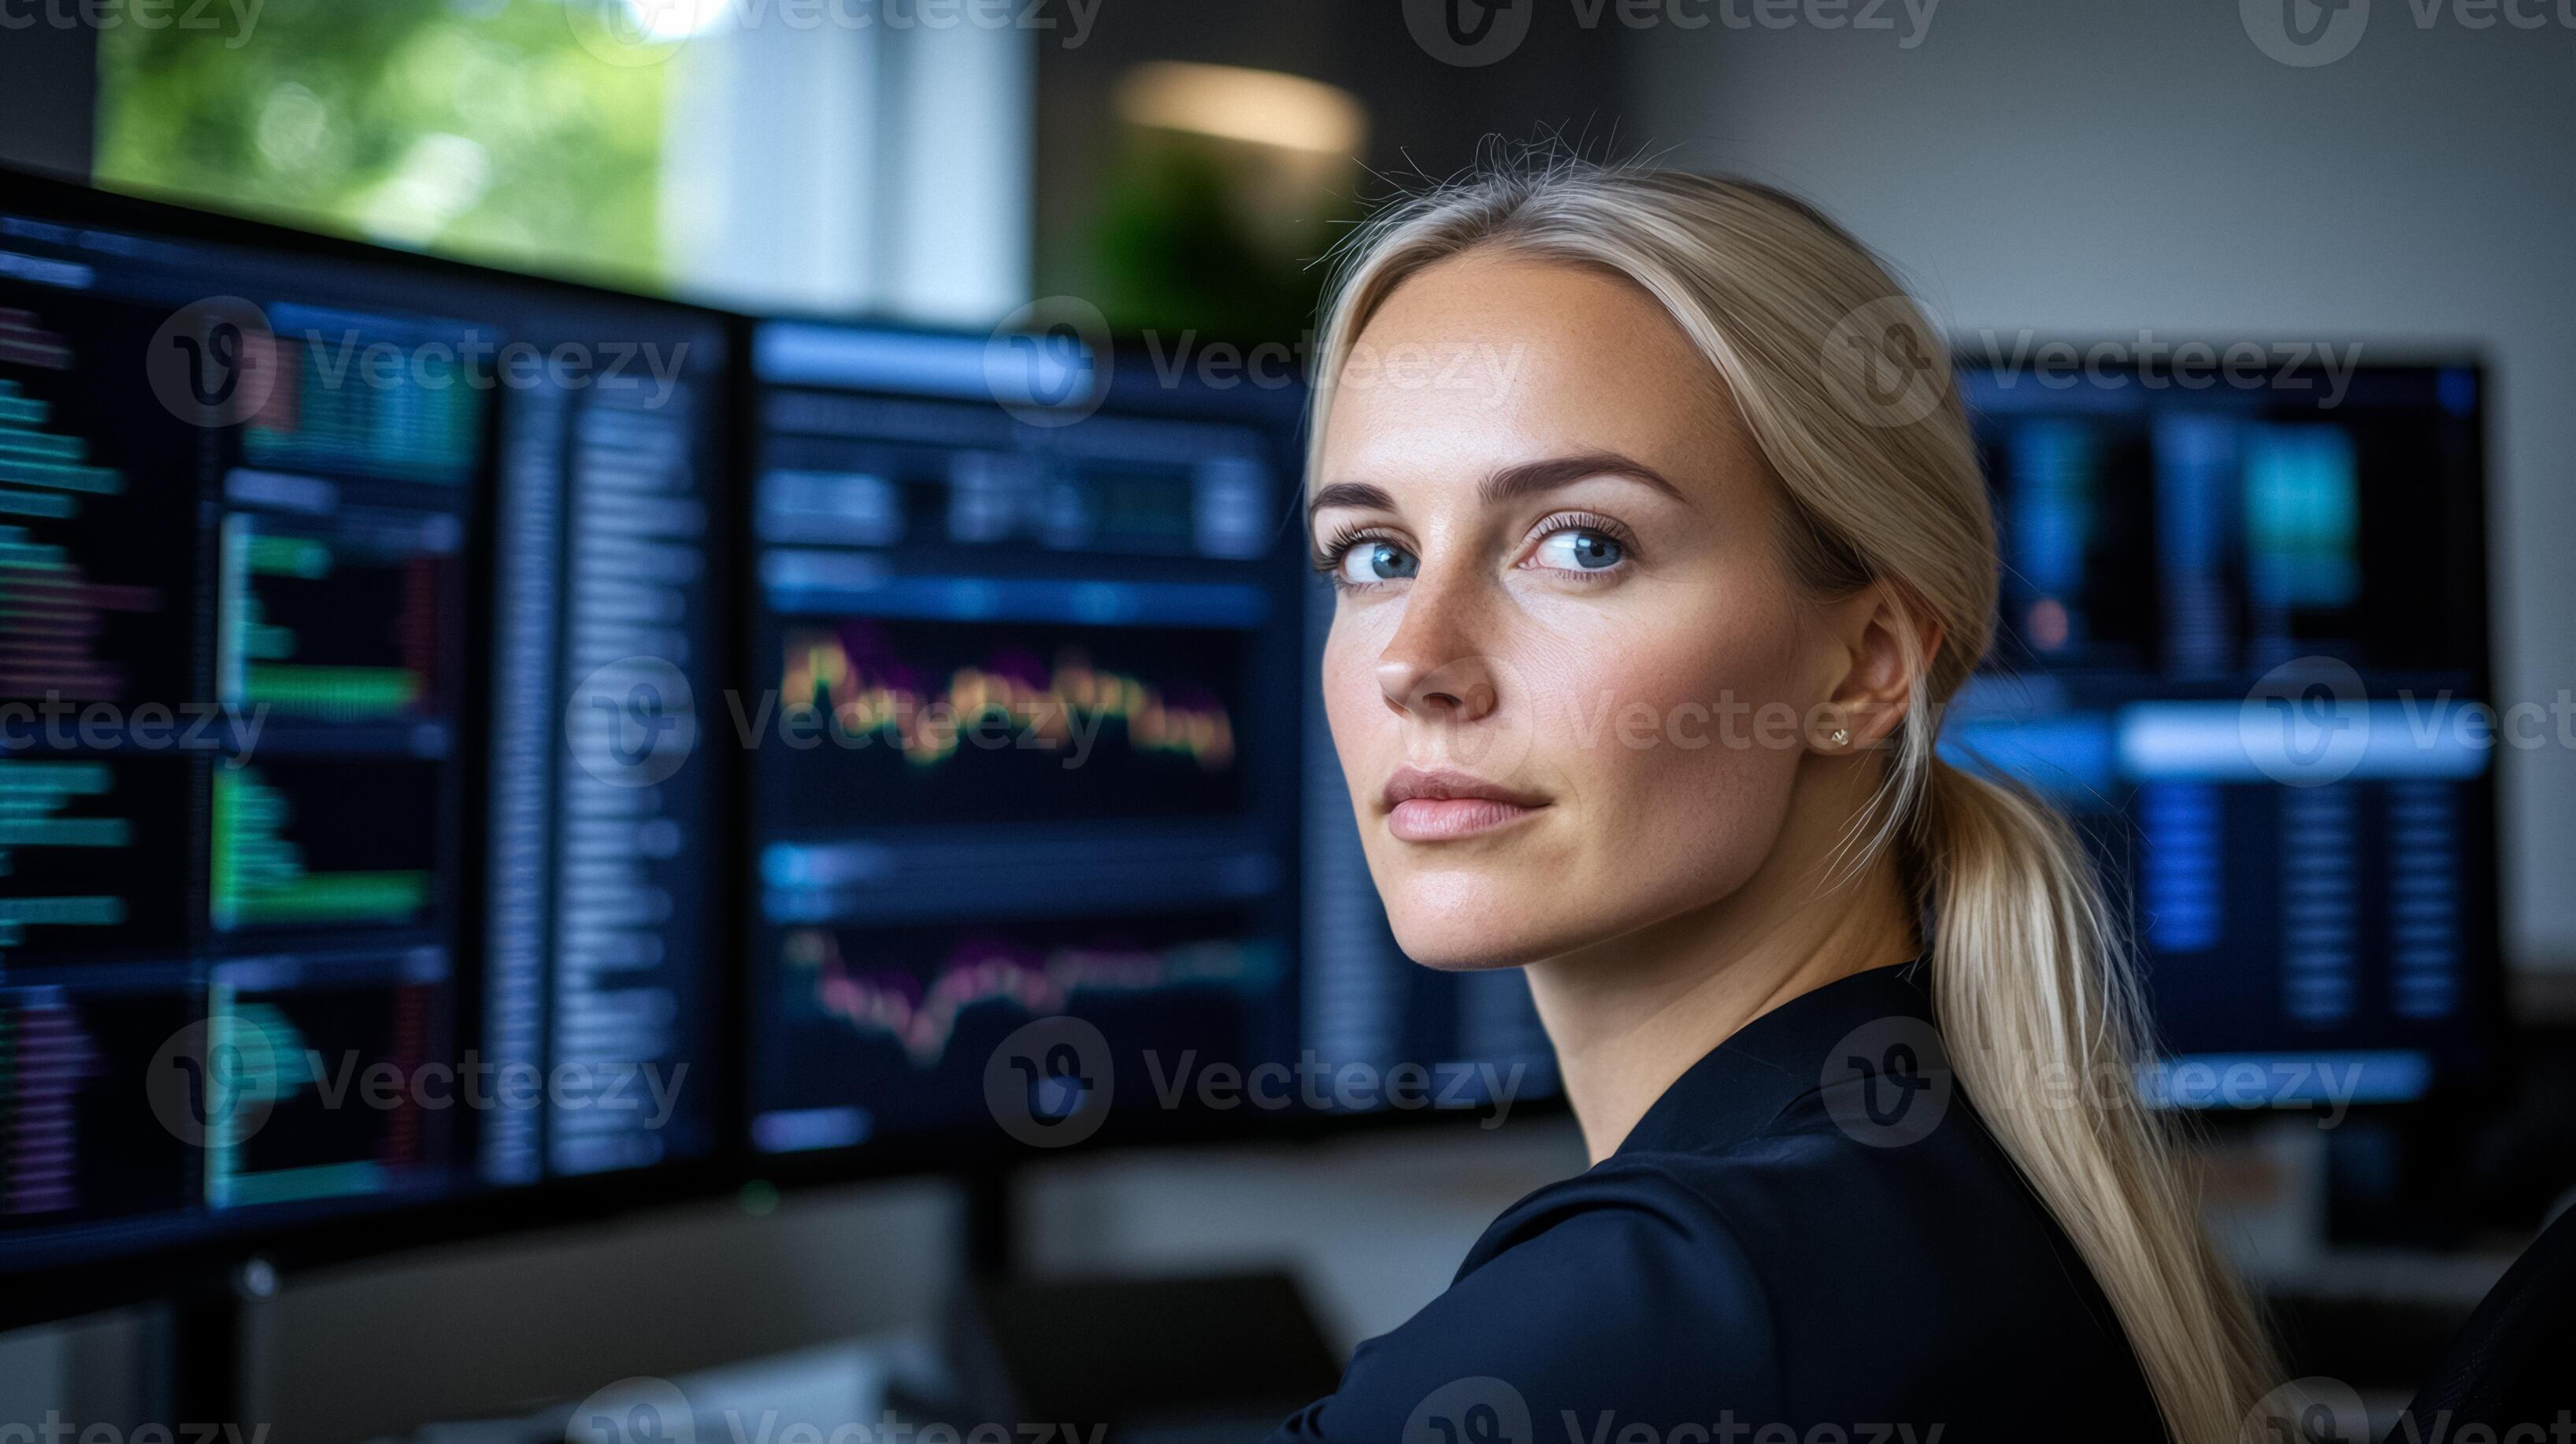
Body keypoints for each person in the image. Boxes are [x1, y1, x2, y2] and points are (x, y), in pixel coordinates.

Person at [1268, 155, 2278, 1444]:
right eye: (1375, 554)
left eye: (1583, 542)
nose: (1417, 660)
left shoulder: (1677, 1311)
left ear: (1862, 667)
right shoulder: (1945, 1182)